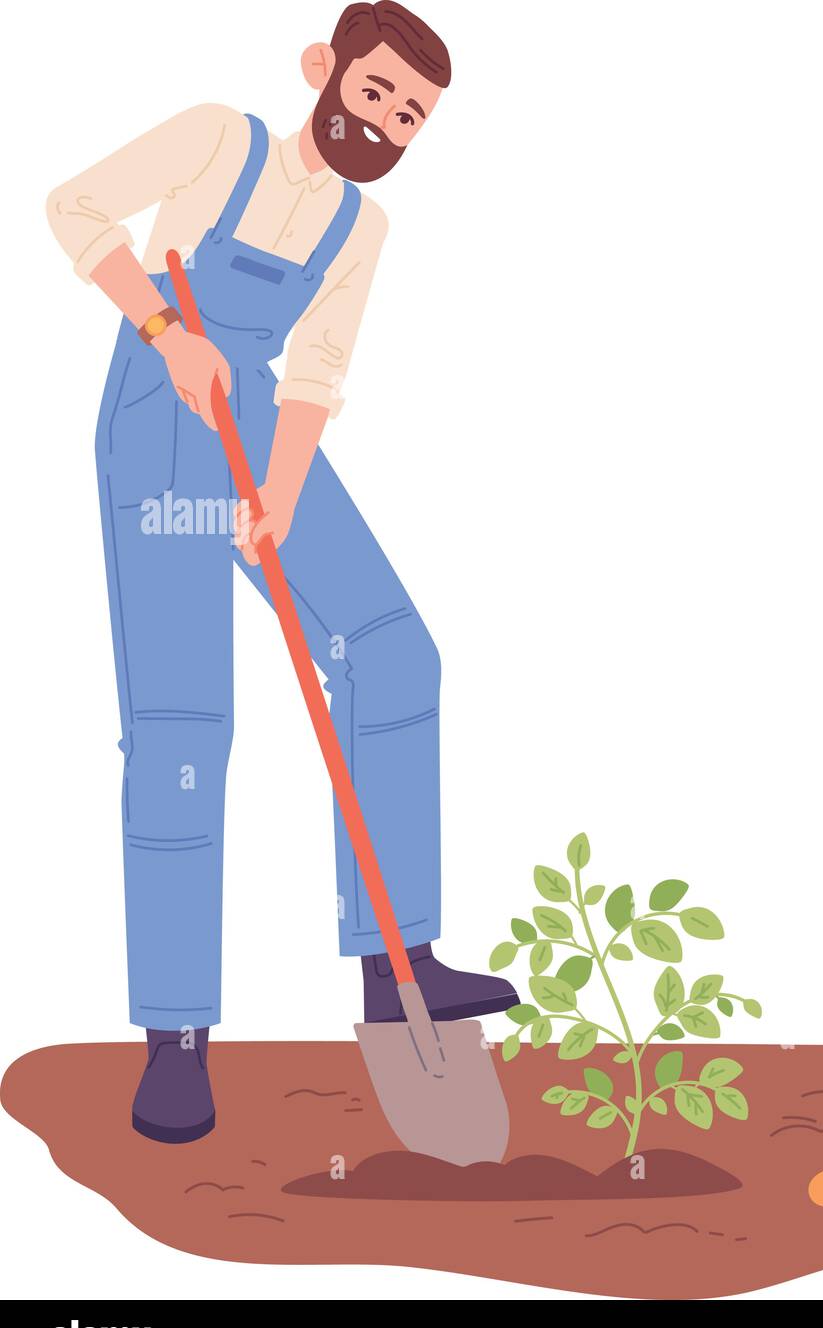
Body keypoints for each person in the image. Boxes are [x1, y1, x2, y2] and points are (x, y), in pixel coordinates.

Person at [46, 3, 517, 1143]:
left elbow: (316, 369)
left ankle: (396, 957)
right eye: (377, 92)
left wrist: (284, 500)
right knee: (183, 727)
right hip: (163, 419)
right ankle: (177, 1038)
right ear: (325, 69)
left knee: (392, 653)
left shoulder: (363, 227)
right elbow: (75, 207)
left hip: (260, 429)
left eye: (412, 115)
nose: (388, 122)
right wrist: (167, 330)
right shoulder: (218, 139)